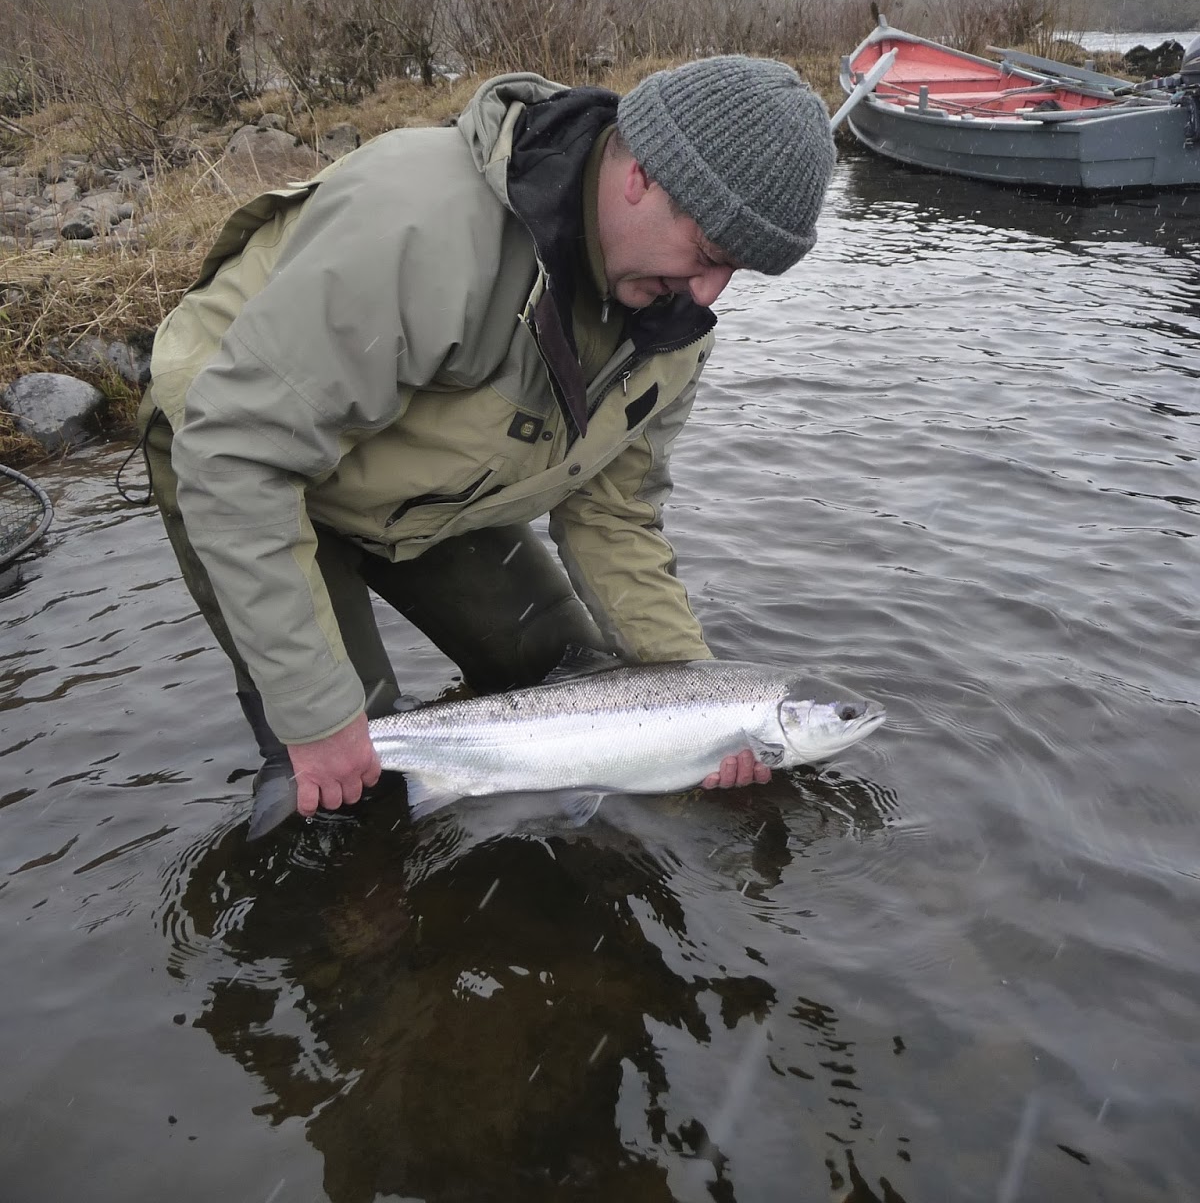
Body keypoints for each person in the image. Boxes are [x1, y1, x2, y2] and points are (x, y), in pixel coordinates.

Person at [139, 55, 834, 830]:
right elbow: (236, 452)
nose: (708, 295)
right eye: (707, 254)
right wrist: (315, 713)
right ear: (642, 173)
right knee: (351, 781)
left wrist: (705, 706)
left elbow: (614, 517)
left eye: (736, 271)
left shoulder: (674, 329)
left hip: (429, 487)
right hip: (238, 454)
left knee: (575, 673)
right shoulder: (426, 225)